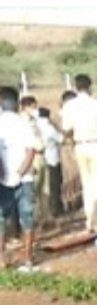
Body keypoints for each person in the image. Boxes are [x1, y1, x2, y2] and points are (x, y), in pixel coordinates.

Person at [61, 74, 97, 233]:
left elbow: (66, 130)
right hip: (96, 144)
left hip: (80, 146)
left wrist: (71, 143)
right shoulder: (95, 104)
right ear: (90, 86)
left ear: (76, 87)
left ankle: (89, 220)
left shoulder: (69, 106)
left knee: (87, 184)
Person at [0, 86, 39, 268]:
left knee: (1, 219)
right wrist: (20, 172)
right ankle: (28, 259)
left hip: (2, 179)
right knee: (27, 219)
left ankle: (1, 260)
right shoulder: (23, 123)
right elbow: (31, 151)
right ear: (16, 103)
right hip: (24, 179)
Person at [36, 108, 64, 220]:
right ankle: (55, 210)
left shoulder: (35, 126)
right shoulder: (49, 128)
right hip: (53, 160)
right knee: (54, 187)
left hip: (39, 161)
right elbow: (61, 139)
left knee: (41, 189)